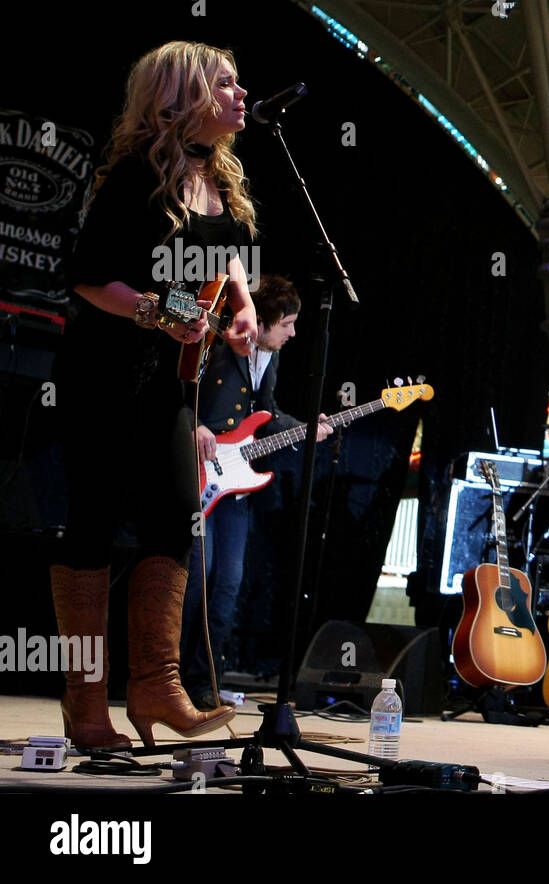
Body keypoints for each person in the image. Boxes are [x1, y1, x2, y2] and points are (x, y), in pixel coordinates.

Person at [49, 41, 260, 747]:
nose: (240, 95)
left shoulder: (217, 178)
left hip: (174, 381)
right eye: (225, 84)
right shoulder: (136, 175)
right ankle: (85, 702)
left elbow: (223, 251)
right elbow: (87, 276)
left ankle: (157, 687)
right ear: (184, 94)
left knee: (174, 520)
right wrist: (155, 312)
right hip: (105, 372)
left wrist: (241, 305)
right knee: (92, 525)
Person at [179, 275, 331, 710]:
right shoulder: (217, 342)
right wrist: (196, 425)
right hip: (200, 473)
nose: (293, 333)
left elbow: (266, 414)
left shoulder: (271, 358)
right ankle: (167, 677)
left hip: (235, 486)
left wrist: (306, 428)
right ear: (260, 322)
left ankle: (204, 681)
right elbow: (178, 389)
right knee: (196, 580)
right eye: (287, 324)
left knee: (228, 584)